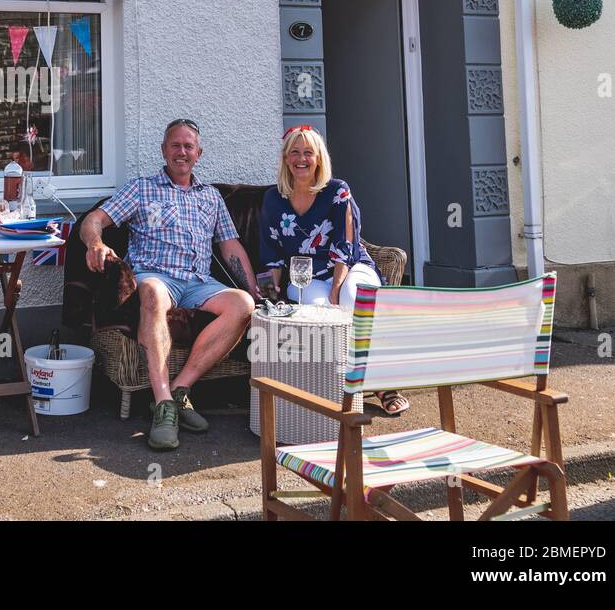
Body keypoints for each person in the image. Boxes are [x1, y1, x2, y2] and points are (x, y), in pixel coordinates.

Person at [82, 119, 258, 450]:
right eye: (175, 145)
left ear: (199, 153)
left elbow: (230, 246)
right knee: (150, 293)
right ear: (164, 151)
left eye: (188, 146)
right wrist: (95, 243)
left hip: (199, 282)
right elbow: (93, 220)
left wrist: (253, 288)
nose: (182, 152)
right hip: (156, 276)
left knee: (243, 305)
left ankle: (179, 390)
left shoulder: (211, 197)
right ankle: (163, 403)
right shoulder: (141, 188)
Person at [258, 125, 408, 416]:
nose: (301, 158)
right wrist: (271, 290)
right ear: (286, 158)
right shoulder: (273, 199)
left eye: (308, 152)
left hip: (350, 266)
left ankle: (381, 383)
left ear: (318, 158)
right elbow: (272, 251)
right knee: (317, 313)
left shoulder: (337, 191)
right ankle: (339, 386)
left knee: (354, 298)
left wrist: (337, 287)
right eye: (294, 152)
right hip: (305, 275)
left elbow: (345, 242)